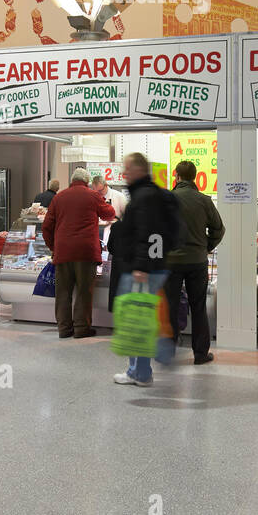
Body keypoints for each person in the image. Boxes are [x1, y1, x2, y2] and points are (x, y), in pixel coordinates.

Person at [108, 153, 181, 387]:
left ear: (139, 170)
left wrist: (140, 266)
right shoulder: (155, 193)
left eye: (127, 169)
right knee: (143, 315)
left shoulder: (143, 197)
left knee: (137, 317)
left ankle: (146, 368)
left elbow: (146, 234)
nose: (124, 173)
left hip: (143, 269)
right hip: (154, 266)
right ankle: (141, 369)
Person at [43, 169, 115, 338]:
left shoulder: (58, 197)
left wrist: (54, 247)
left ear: (71, 180)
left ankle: (64, 329)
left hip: (63, 252)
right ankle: (82, 328)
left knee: (63, 292)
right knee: (84, 291)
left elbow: (46, 227)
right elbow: (109, 213)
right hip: (85, 251)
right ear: (87, 181)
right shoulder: (92, 195)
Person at [167, 160, 224, 366]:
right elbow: (219, 229)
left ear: (177, 176)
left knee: (170, 306)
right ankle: (200, 354)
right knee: (198, 306)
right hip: (197, 262)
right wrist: (205, 247)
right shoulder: (204, 200)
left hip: (171, 263)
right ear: (195, 176)